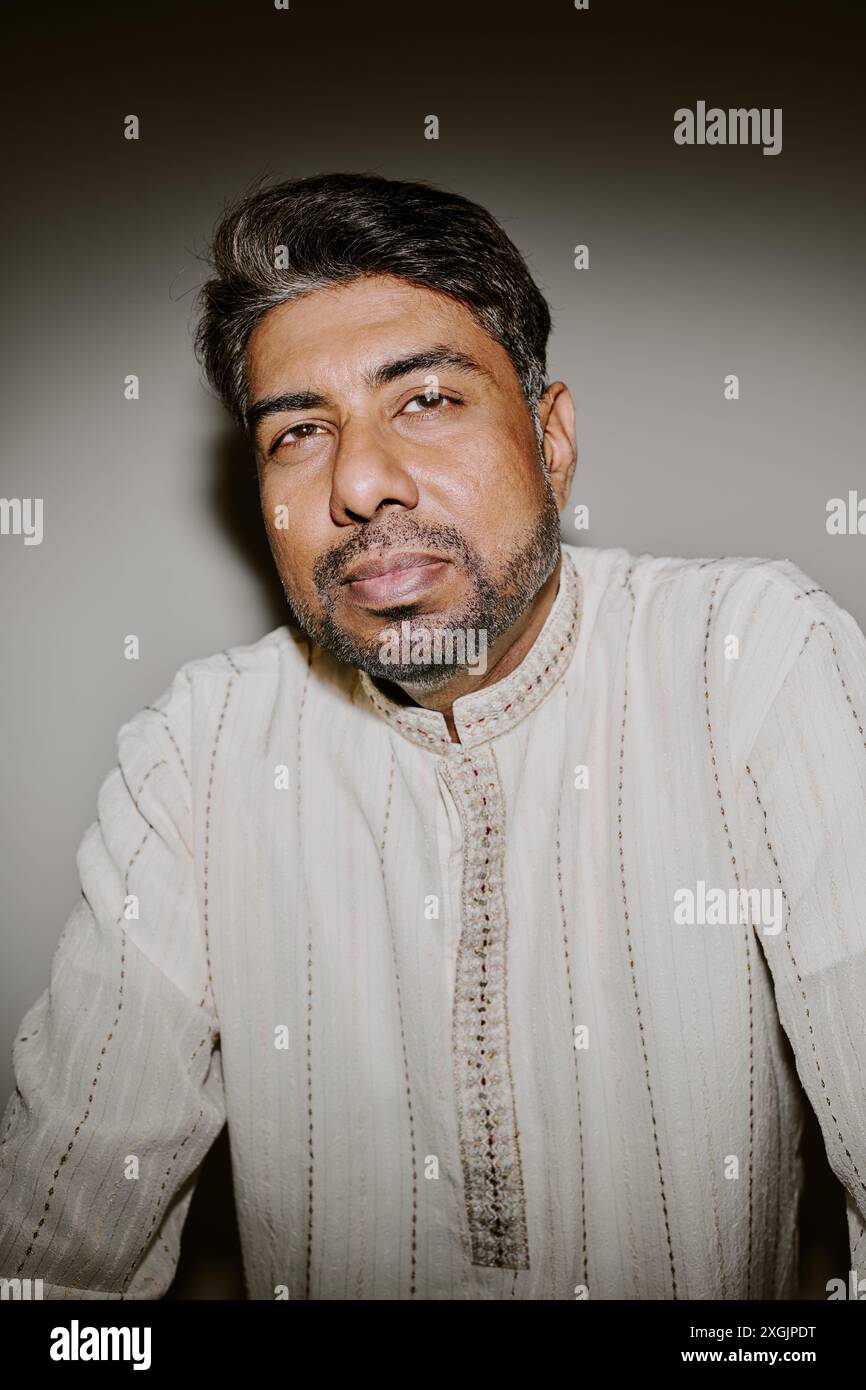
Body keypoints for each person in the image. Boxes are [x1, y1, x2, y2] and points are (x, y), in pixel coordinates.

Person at [2, 173, 865, 1300]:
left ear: (549, 440)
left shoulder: (752, 657)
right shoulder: (198, 754)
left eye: (426, 400)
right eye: (299, 432)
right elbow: (54, 1271)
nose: (359, 482)